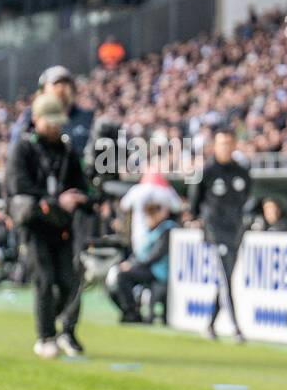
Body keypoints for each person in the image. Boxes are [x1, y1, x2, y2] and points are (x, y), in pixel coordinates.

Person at [5, 94, 89, 359]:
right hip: (35, 226)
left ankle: (56, 327)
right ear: (36, 120)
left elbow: (81, 185)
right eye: (49, 122)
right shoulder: (23, 149)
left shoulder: (67, 151)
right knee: (44, 279)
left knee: (69, 281)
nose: (55, 127)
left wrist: (82, 198)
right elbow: (20, 187)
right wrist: (55, 201)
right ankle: (45, 336)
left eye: (58, 122)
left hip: (62, 227)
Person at [188, 129, 252, 341]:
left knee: (226, 277)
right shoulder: (207, 171)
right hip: (215, 230)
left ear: (234, 145)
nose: (225, 147)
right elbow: (195, 202)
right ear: (214, 146)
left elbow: (246, 198)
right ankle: (236, 328)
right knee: (225, 277)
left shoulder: (242, 172)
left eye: (229, 143)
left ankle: (209, 324)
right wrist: (200, 221)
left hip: (235, 231)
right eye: (221, 143)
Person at [106, 202, 176, 323]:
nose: (149, 219)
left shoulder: (167, 229)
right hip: (146, 267)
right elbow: (140, 253)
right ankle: (130, 310)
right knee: (115, 278)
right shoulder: (152, 230)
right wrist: (130, 263)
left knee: (123, 277)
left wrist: (133, 265)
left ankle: (132, 312)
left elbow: (156, 255)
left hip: (158, 271)